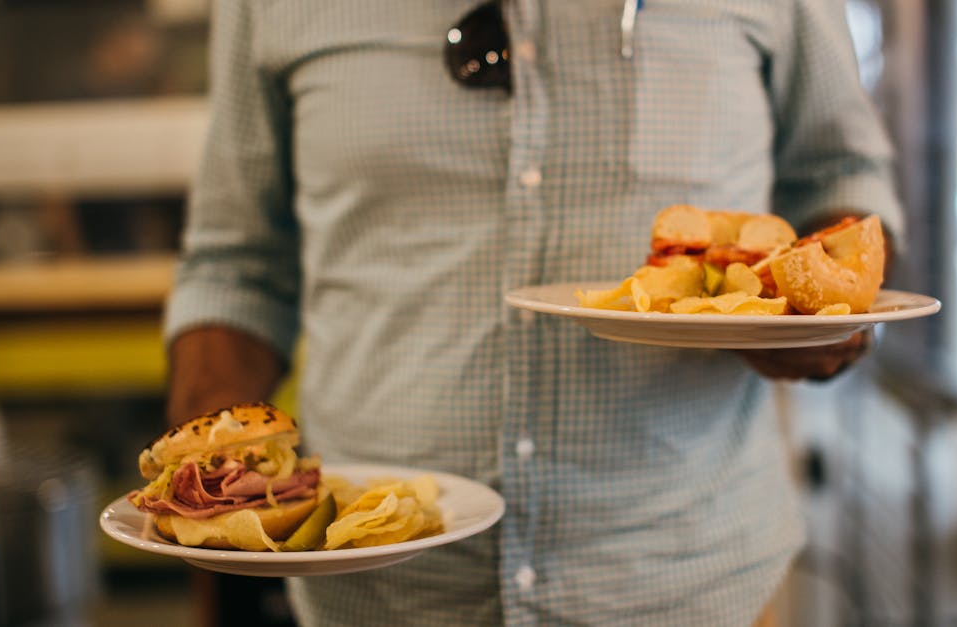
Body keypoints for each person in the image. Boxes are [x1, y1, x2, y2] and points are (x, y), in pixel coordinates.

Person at [164, 1, 904, 625]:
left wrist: (825, 311)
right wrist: (215, 483)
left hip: (687, 578)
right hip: (372, 587)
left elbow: (841, 177)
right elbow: (235, 263)